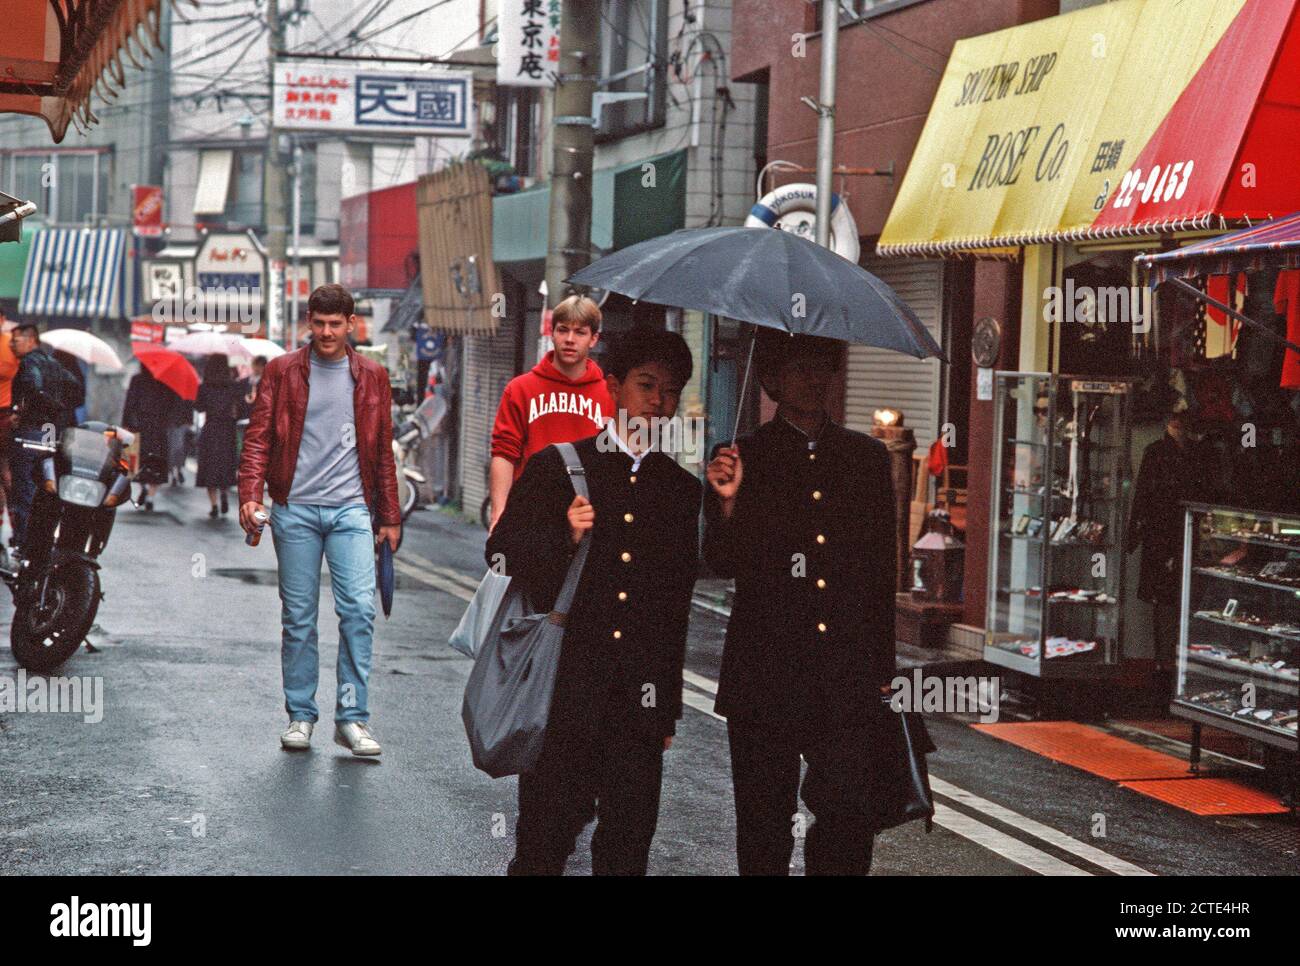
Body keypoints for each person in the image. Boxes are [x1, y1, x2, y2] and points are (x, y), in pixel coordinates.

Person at [486, 326, 701, 875]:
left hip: (640, 698)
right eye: (646, 385)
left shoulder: (680, 488)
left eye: (670, 392)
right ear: (612, 386)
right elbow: (502, 556)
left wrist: (667, 704)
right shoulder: (560, 465)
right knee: (544, 840)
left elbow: (674, 606)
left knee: (629, 845)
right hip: (565, 688)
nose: (658, 402)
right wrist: (564, 537)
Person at [703, 328, 898, 876]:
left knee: (846, 817)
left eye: (821, 367)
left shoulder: (866, 458)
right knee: (763, 818)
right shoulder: (742, 457)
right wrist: (727, 503)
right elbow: (718, 562)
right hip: (764, 670)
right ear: (770, 381)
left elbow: (882, 571)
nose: (812, 380)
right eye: (797, 369)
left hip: (846, 671)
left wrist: (884, 671)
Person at [238, 284, 401, 757]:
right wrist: (250, 495)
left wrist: (389, 514)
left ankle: (351, 719)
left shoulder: (372, 376)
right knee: (300, 618)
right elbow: (259, 439)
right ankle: (301, 716)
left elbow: (382, 451)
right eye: (320, 323)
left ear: (352, 325)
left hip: (352, 509)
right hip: (295, 509)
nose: (327, 332)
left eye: (337, 324)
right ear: (308, 321)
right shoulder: (282, 371)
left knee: (358, 611)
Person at [488, 294, 613, 530]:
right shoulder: (520, 389)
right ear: (551, 332)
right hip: (532, 513)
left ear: (594, 339)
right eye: (562, 330)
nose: (569, 339)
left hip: (588, 516)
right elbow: (504, 454)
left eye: (580, 332)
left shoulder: (609, 394)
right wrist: (499, 513)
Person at [1126, 409, 1220, 701]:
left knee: (1182, 597)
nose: (1178, 426)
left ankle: (1177, 660)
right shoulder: (1156, 452)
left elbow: (1206, 490)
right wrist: (1136, 531)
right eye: (1174, 421)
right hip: (1161, 531)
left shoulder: (1197, 452)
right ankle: (1161, 662)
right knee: (1161, 600)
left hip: (1184, 530)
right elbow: (1143, 492)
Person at [8, 324, 79, 546]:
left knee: (25, 487)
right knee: (46, 487)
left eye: (16, 340)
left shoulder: (29, 363)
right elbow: (76, 388)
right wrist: (60, 410)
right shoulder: (56, 365)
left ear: (31, 341)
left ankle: (24, 542)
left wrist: (22, 410)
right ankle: (43, 539)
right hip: (51, 434)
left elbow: (33, 386)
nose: (12, 344)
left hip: (31, 432)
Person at [122, 367, 186, 511]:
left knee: (137, 463)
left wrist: (126, 424)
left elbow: (129, 403)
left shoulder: (137, 379)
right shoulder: (166, 381)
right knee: (157, 463)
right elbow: (174, 405)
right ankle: (151, 496)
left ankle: (143, 487)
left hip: (139, 426)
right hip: (159, 428)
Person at [195, 354, 246, 518]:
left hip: (210, 429)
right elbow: (241, 409)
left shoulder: (205, 386)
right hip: (227, 430)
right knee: (225, 464)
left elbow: (199, 407)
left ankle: (214, 504)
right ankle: (224, 492)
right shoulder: (233, 386)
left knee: (210, 466)